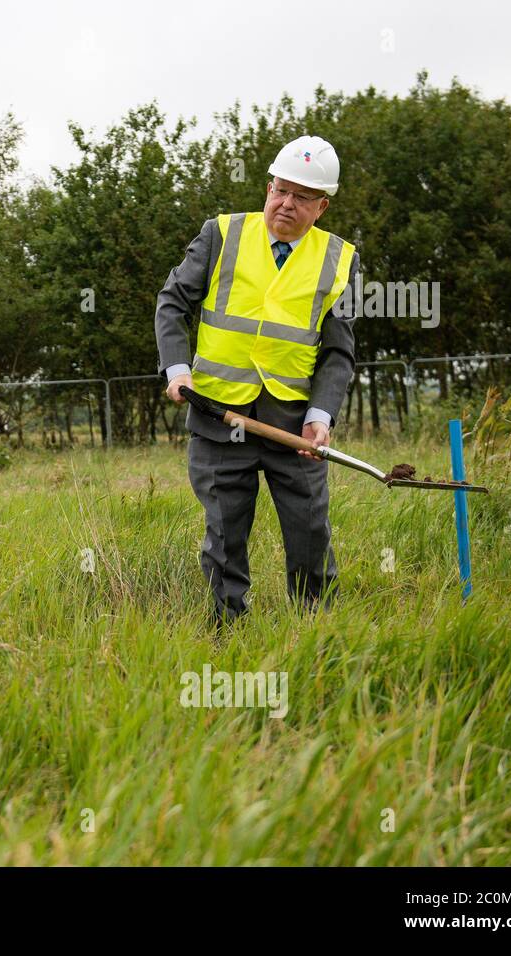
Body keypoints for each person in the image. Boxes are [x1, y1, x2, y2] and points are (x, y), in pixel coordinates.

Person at [155, 136, 360, 626]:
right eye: (280, 190)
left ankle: (316, 631)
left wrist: (320, 415)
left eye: (302, 197)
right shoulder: (221, 234)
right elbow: (172, 303)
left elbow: (337, 350)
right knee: (225, 538)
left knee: (311, 535)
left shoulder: (339, 260)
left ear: (322, 206)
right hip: (217, 417)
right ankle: (227, 633)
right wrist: (177, 370)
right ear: (268, 187)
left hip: (293, 430)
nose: (287, 203)